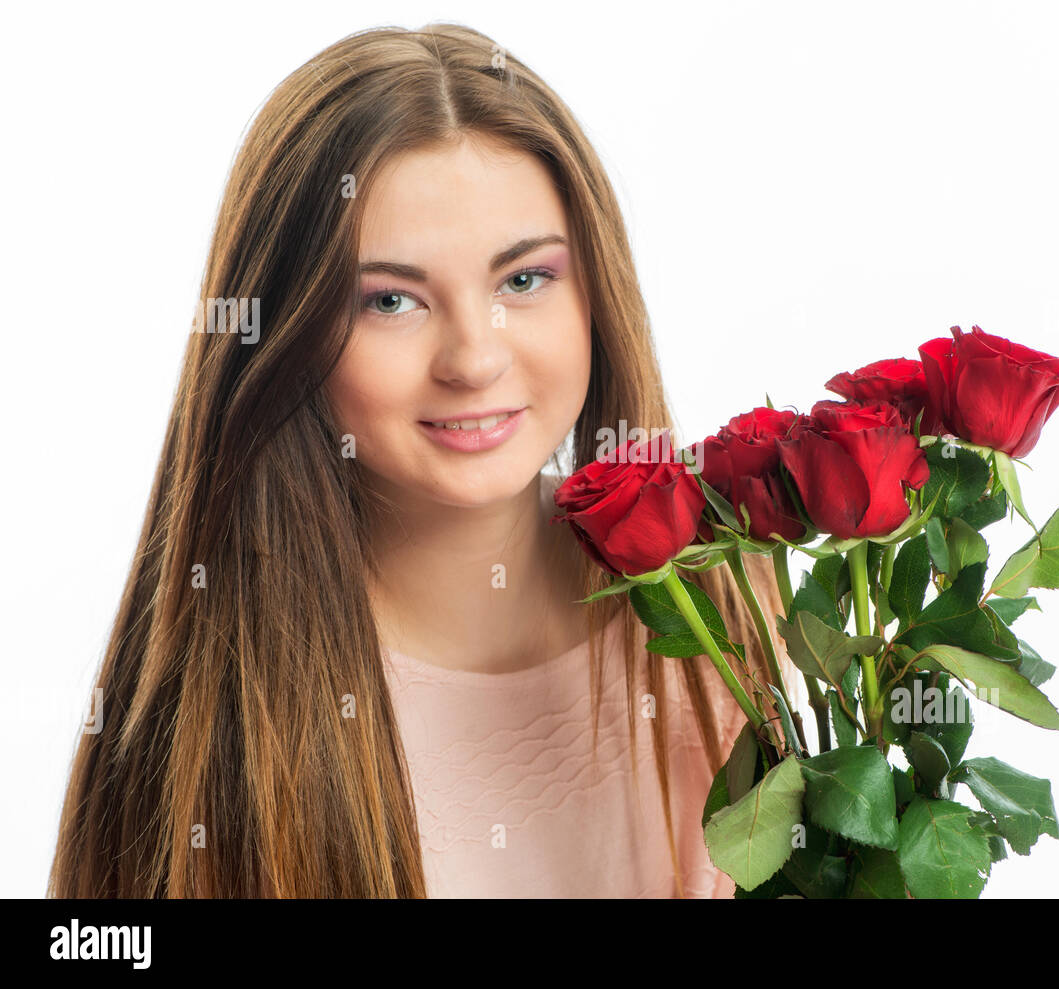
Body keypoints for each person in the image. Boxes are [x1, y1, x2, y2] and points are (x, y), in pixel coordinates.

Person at [48, 21, 801, 898]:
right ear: (285, 335)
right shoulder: (209, 708)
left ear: (596, 289)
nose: (474, 359)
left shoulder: (732, 601)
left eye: (523, 280)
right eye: (392, 299)